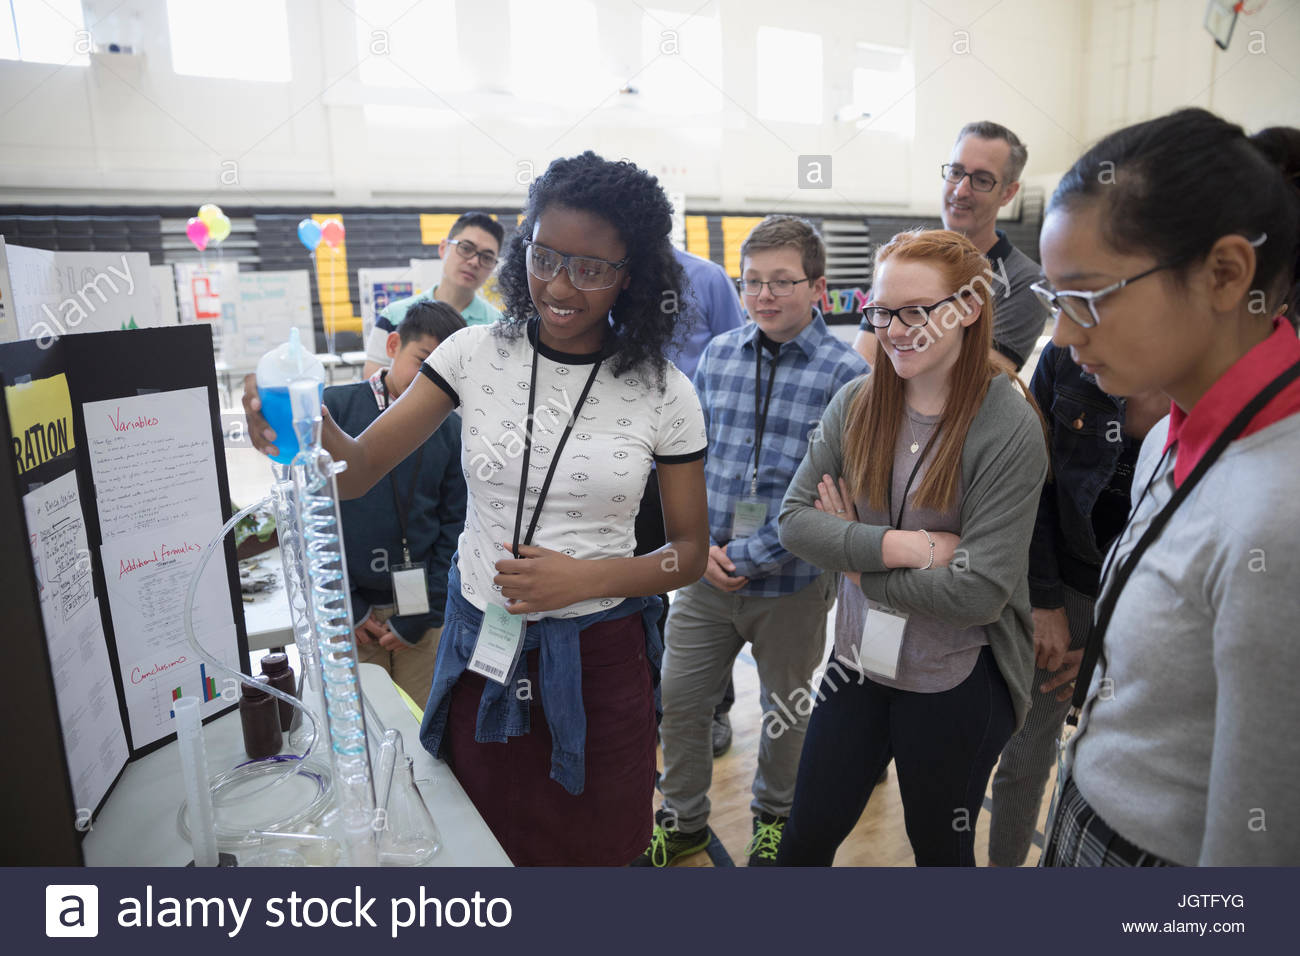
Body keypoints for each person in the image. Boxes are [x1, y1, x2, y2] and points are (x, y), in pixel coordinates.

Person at [243, 151, 710, 866]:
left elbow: (689, 552)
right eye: (546, 257)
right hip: (482, 646)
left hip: (598, 660)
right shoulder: (472, 353)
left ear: (632, 274)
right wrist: (301, 431)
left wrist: (587, 579)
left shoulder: (662, 389)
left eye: (592, 269)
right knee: (481, 840)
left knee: (598, 848)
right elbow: (359, 468)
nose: (560, 285)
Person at [1036, 109, 1300, 867]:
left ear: (1224, 274)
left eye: (1087, 296)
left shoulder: (1279, 515)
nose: (1062, 336)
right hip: (1095, 806)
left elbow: (1259, 846)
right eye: (1057, 301)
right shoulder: (1164, 434)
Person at [776, 228, 1047, 867]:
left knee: (940, 851)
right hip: (855, 666)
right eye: (882, 312)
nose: (894, 330)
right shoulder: (857, 403)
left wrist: (855, 564)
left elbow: (978, 592)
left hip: (953, 681)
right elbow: (794, 523)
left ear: (969, 309)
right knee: (802, 843)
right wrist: (913, 546)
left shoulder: (1007, 425)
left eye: (916, 311)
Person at [635, 216, 869, 867]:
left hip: (792, 586)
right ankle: (682, 819)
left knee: (784, 715)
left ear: (818, 287)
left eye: (782, 282)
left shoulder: (848, 376)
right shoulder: (717, 356)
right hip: (706, 576)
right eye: (753, 282)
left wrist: (745, 556)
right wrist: (699, 547)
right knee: (680, 702)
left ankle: (774, 821)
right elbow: (689, 461)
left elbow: (830, 501)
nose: (764, 295)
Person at [985, 342, 1166, 866]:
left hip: (1147, 612)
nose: (1065, 326)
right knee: (1022, 755)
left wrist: (1111, 653)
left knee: (1115, 762)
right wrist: (1044, 602)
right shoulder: (1066, 356)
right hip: (1065, 589)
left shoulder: (1221, 377)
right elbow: (1033, 485)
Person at [324, 300, 468, 707]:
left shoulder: (452, 430)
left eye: (447, 371)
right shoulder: (335, 408)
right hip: (348, 612)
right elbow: (313, 516)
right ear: (392, 345)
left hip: (424, 613)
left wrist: (423, 615)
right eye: (423, 361)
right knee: (364, 727)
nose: (433, 380)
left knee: (425, 729)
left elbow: (455, 527)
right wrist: (346, 604)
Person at [632, 246, 745, 757]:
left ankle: (715, 707)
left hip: (697, 465)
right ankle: (652, 696)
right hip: (634, 466)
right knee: (639, 588)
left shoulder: (708, 278)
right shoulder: (614, 278)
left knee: (709, 591)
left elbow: (738, 355)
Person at [853, 121, 1049, 373]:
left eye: (981, 179)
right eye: (956, 172)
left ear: (1008, 193)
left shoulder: (1024, 281)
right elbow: (861, 365)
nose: (960, 190)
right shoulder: (904, 259)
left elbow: (976, 384)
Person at [361, 211, 505, 375]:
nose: (474, 262)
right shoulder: (393, 316)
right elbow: (373, 388)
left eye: (486, 257)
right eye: (466, 248)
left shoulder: (500, 327)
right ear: (443, 248)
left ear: (494, 267)